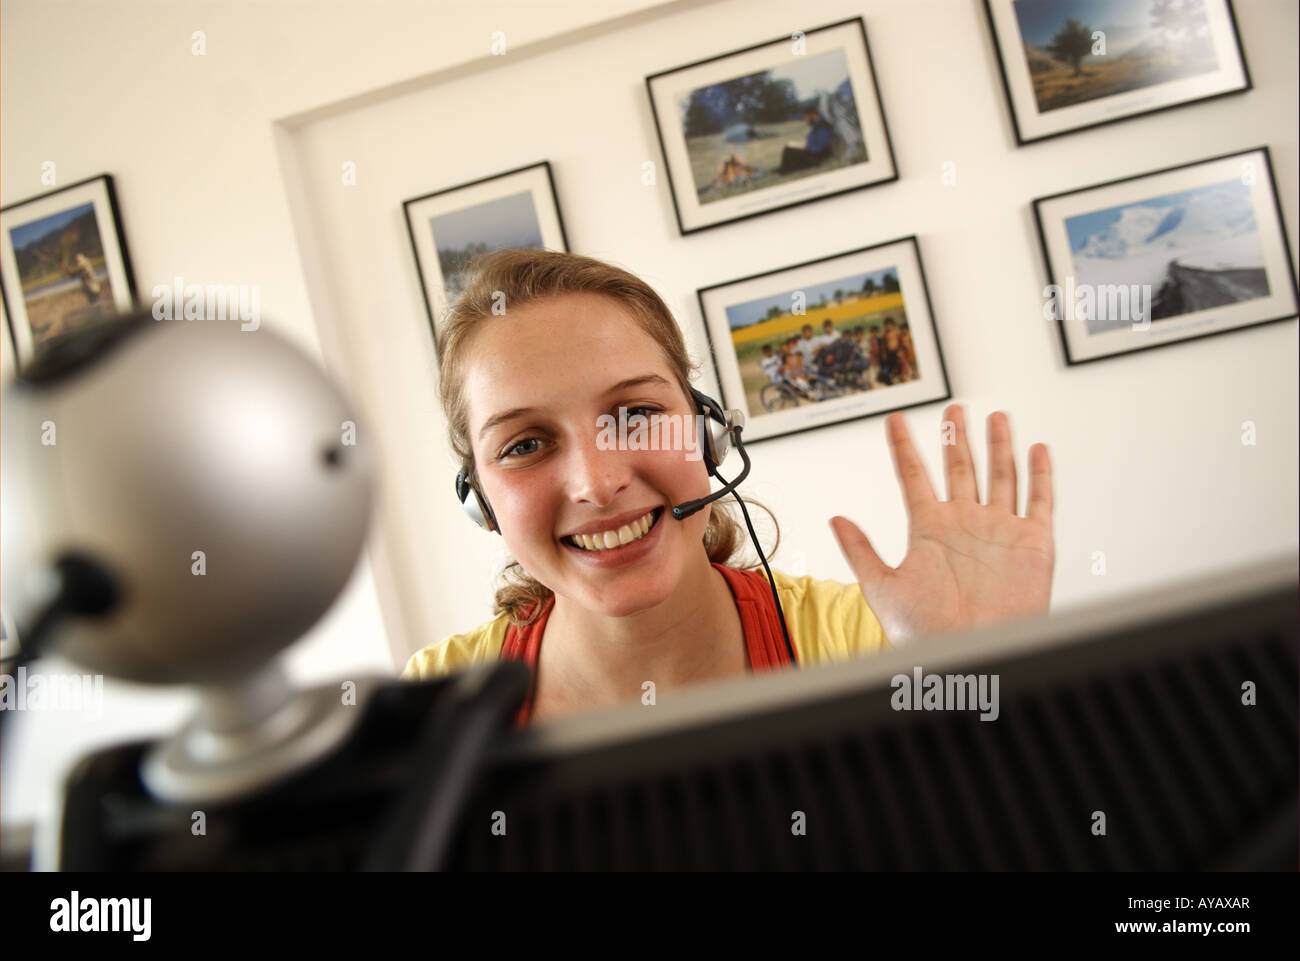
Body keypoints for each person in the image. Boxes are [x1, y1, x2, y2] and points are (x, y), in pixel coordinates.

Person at [401, 250, 1055, 728]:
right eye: (525, 444)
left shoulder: (879, 640)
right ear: (480, 498)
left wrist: (987, 681)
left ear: (708, 433)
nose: (597, 483)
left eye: (637, 415)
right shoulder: (434, 702)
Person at [778, 106, 835, 173]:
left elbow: (821, 146)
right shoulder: (817, 125)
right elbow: (814, 142)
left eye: (806, 117)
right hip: (813, 153)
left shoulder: (822, 126)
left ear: (813, 115)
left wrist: (806, 148)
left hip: (817, 157)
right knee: (789, 148)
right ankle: (784, 168)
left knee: (788, 150)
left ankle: (784, 170)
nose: (805, 120)